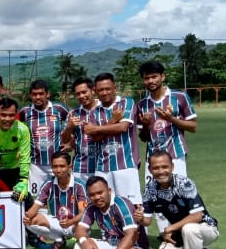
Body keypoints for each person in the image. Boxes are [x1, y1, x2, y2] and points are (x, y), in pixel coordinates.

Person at [135, 151, 218, 249]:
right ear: (150, 169)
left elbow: (198, 215)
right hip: (179, 233)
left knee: (189, 228)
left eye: (164, 167)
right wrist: (140, 218)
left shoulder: (184, 183)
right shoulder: (150, 188)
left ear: (172, 167)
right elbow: (147, 221)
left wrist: (170, 229)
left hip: (206, 228)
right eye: (156, 168)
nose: (161, 171)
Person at [46, 176, 150, 249]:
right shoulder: (91, 207)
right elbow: (80, 229)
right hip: (110, 246)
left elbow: (131, 235)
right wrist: (84, 242)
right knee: (82, 242)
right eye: (92, 195)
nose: (97, 197)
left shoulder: (121, 204)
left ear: (109, 191)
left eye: (100, 193)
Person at [83, 73, 142, 206]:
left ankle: (136, 228)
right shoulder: (94, 112)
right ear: (95, 91)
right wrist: (113, 120)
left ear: (115, 88)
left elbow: (123, 127)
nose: (104, 93)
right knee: (106, 207)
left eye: (108, 88)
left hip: (125, 165)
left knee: (131, 205)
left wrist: (97, 128)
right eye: (100, 90)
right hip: (103, 167)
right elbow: (96, 138)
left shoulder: (127, 102)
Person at [136, 60, 198, 181]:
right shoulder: (142, 104)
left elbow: (193, 126)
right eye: (147, 78)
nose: (151, 81)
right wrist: (146, 125)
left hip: (176, 155)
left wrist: (171, 119)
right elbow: (144, 138)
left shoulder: (179, 97)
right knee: (153, 197)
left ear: (162, 76)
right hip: (153, 157)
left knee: (179, 193)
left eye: (154, 77)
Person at [23, 151, 88, 249]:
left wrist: (70, 222)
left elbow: (83, 213)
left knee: (83, 227)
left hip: (74, 224)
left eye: (62, 166)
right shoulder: (48, 184)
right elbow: (36, 207)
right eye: (55, 166)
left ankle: (78, 242)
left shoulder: (80, 185)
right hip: (57, 223)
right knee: (30, 222)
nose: (58, 170)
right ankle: (59, 240)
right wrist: (27, 217)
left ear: (69, 167)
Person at [20, 79, 69, 197]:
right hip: (36, 165)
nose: (38, 97)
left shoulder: (59, 109)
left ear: (48, 94)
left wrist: (71, 143)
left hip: (57, 164)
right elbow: (15, 130)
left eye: (41, 94)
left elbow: (75, 125)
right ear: (30, 95)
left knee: (61, 196)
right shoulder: (25, 112)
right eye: (34, 94)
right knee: (36, 198)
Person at [61, 77, 100, 182]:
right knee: (80, 198)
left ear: (93, 91)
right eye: (78, 94)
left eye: (84, 92)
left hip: (103, 166)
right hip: (80, 167)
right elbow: (64, 140)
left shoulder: (103, 109)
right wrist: (69, 127)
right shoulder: (73, 113)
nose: (81, 96)